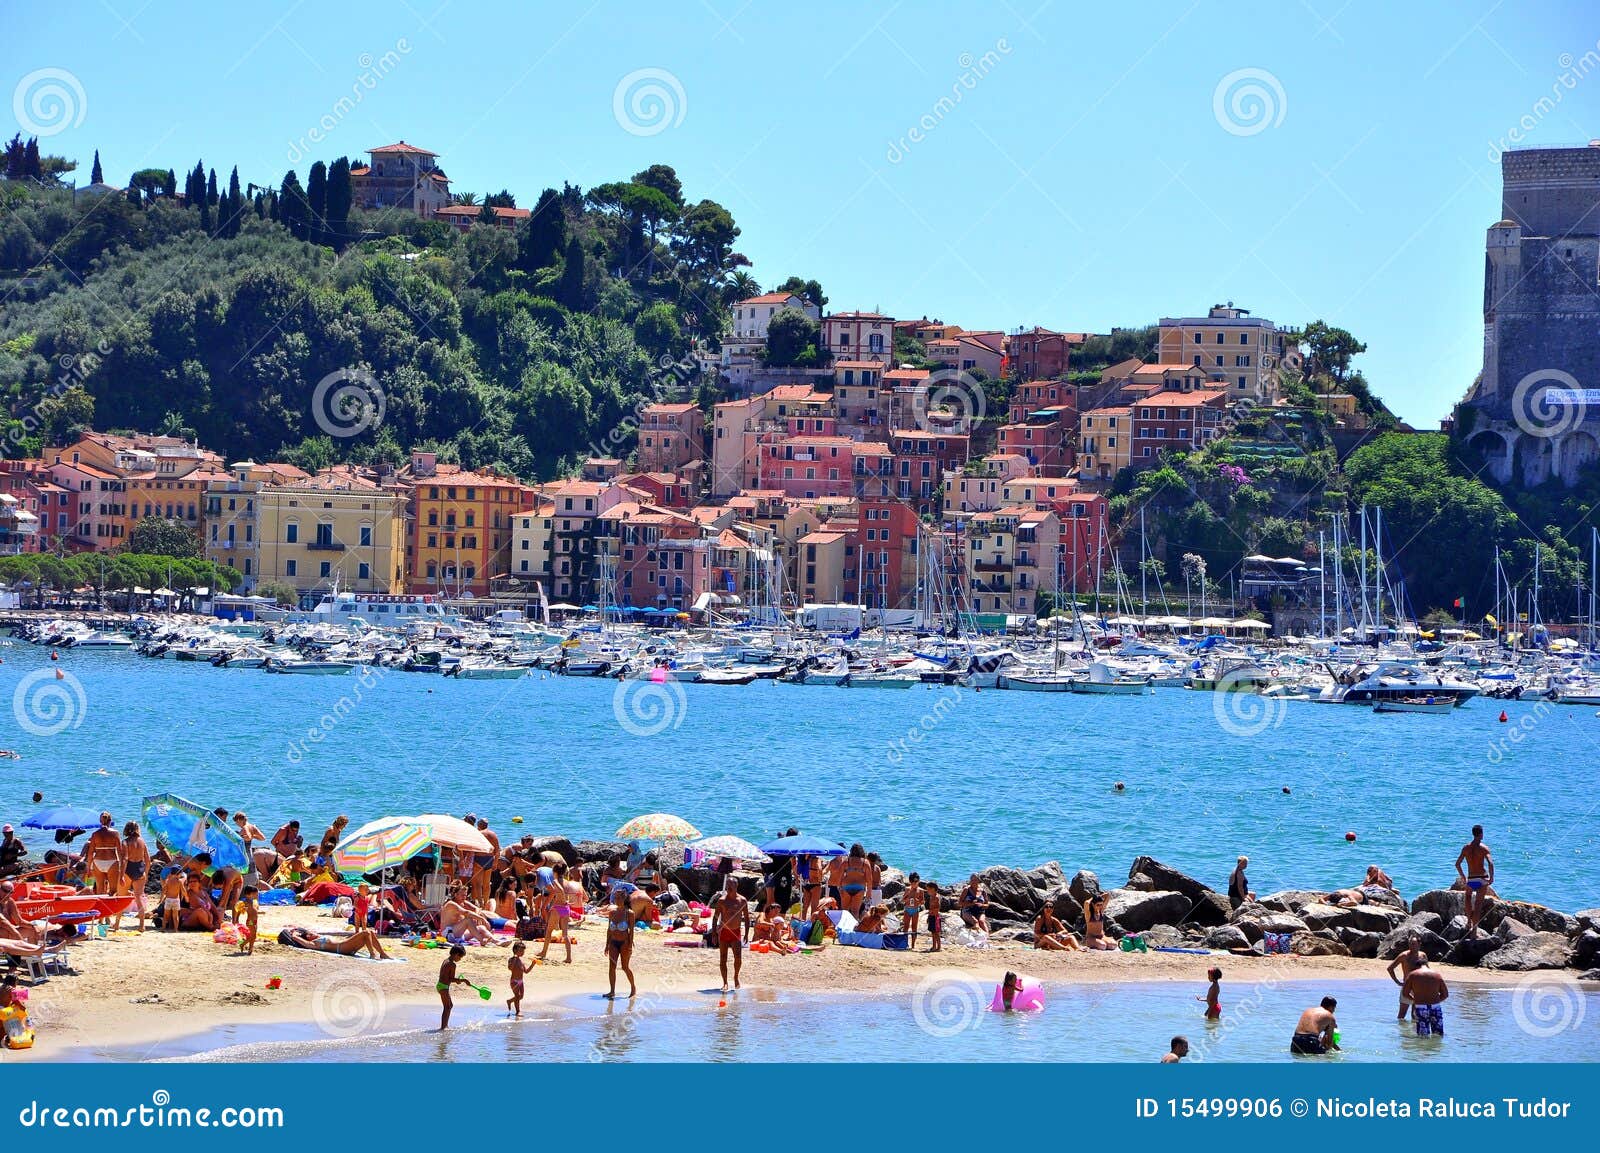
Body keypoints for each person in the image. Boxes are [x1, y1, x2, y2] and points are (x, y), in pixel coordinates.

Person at [710, 877, 749, 993]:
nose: (728, 888)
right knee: (723, 958)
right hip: (724, 932)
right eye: (727, 886)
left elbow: (746, 918)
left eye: (731, 886)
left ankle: (736, 977)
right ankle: (725, 982)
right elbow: (715, 917)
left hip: (736, 932)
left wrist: (746, 934)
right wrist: (714, 933)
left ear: (736, 886)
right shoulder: (722, 901)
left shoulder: (742, 900)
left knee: (738, 957)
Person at [1455, 825, 1495, 934]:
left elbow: (1457, 864)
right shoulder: (1484, 848)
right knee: (1478, 904)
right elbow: (1490, 863)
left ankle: (1468, 922)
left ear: (1473, 833)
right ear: (1481, 834)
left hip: (1471, 878)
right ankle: (1475, 931)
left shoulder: (1466, 848)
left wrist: (1463, 877)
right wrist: (1491, 878)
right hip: (1482, 878)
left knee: (1468, 898)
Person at [115, 821, 151, 933]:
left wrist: (121, 875)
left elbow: (125, 859)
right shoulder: (142, 841)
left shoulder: (125, 842)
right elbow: (148, 860)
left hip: (128, 869)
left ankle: (116, 924)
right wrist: (146, 872)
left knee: (121, 897)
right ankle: (142, 925)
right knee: (139, 898)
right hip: (140, 868)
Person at [536, 862, 576, 963]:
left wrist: (546, 905)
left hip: (557, 908)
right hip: (566, 908)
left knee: (549, 931)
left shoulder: (555, 881)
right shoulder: (567, 882)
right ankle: (569, 957)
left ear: (555, 872)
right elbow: (568, 894)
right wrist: (565, 900)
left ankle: (544, 952)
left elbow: (556, 892)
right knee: (565, 934)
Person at [278, 925, 391, 959]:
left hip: (346, 944)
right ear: (308, 937)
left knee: (370, 932)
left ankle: (382, 953)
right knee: (366, 932)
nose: (314, 933)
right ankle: (372, 954)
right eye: (311, 933)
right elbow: (304, 943)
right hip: (342, 948)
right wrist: (295, 936)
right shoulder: (314, 943)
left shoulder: (317, 938)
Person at [1400, 961, 1448, 1038]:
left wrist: (1414, 1000)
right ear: (1427, 965)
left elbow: (1405, 993)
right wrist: (1435, 1002)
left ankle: (1423, 1049)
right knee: (1438, 1034)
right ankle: (1436, 1049)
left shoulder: (1413, 975)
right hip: (1435, 1007)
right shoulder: (1437, 975)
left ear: (1416, 967)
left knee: (1423, 1036)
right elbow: (1445, 994)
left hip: (1420, 1007)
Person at [1386, 933, 1427, 1020]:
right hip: (1407, 987)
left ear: (1419, 944)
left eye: (1413, 944)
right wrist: (1397, 982)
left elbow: (1427, 970)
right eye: (1409, 944)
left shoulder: (1423, 955)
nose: (1411, 946)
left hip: (1419, 988)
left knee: (1415, 1016)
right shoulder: (1404, 956)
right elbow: (1390, 968)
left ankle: (1412, 1033)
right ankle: (1402, 1033)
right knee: (1401, 1016)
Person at [604, 889, 636, 999]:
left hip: (624, 943)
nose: (617, 900)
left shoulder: (629, 913)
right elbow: (609, 929)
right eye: (615, 898)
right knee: (611, 967)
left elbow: (631, 931)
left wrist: (630, 945)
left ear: (624, 899)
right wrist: (607, 944)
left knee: (625, 967)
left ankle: (633, 987)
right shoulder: (612, 912)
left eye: (619, 898)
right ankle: (612, 991)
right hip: (613, 942)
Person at [85, 812, 122, 896]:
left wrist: (88, 868)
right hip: (112, 861)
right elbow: (120, 851)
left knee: (100, 890)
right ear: (110, 821)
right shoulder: (115, 833)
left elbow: (90, 853)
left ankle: (101, 908)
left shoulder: (95, 834)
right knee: (113, 890)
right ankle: (112, 908)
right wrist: (122, 866)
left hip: (98, 862)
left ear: (100, 821)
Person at [436, 944, 469, 1029]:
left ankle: (445, 1026)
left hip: (440, 985)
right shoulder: (452, 964)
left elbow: (448, 978)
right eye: (460, 957)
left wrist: (457, 980)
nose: (460, 959)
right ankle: (443, 1027)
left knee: (449, 1006)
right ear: (456, 954)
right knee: (447, 1007)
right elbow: (451, 979)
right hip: (443, 986)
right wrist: (463, 980)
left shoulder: (445, 960)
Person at [838, 844, 871, 917]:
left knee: (844, 910)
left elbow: (839, 877)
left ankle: (842, 927)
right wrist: (868, 894)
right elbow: (869, 880)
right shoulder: (865, 862)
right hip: (859, 887)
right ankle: (854, 928)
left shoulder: (846, 861)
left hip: (846, 886)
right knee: (855, 911)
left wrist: (840, 889)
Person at [507, 941, 530, 1017]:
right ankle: (518, 1011)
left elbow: (526, 971)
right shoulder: (512, 959)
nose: (522, 952)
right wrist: (515, 959)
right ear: (515, 951)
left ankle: (510, 1001)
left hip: (521, 981)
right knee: (517, 996)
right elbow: (510, 968)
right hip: (514, 981)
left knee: (521, 996)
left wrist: (533, 964)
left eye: (523, 951)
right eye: (521, 951)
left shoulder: (521, 961)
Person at [902, 873, 924, 949]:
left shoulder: (920, 890)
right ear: (910, 882)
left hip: (915, 909)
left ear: (918, 881)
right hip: (907, 909)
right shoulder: (907, 889)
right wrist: (907, 898)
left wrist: (918, 901)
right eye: (912, 882)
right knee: (906, 927)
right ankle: (904, 943)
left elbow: (922, 902)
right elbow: (903, 900)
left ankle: (913, 945)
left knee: (914, 927)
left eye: (916, 882)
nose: (914, 884)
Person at [160, 867, 184, 931]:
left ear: (171, 873)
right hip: (176, 900)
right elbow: (183, 891)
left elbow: (163, 891)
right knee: (175, 916)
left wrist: (161, 899)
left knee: (165, 915)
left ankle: (163, 928)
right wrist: (186, 897)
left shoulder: (168, 881)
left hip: (168, 900)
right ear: (179, 874)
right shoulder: (180, 882)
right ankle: (176, 929)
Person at [239, 886, 259, 956]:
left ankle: (248, 947)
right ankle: (248, 947)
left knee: (253, 936)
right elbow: (238, 910)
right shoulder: (245, 902)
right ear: (249, 894)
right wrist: (236, 920)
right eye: (255, 894)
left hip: (255, 920)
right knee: (252, 936)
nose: (256, 895)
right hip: (250, 921)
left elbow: (255, 911)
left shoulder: (254, 902)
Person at [925, 879, 942, 952]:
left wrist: (932, 911)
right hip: (931, 916)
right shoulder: (931, 897)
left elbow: (937, 908)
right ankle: (934, 945)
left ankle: (938, 947)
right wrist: (929, 915)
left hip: (935, 916)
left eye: (928, 889)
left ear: (933, 889)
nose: (927, 891)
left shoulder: (936, 897)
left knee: (936, 933)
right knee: (932, 932)